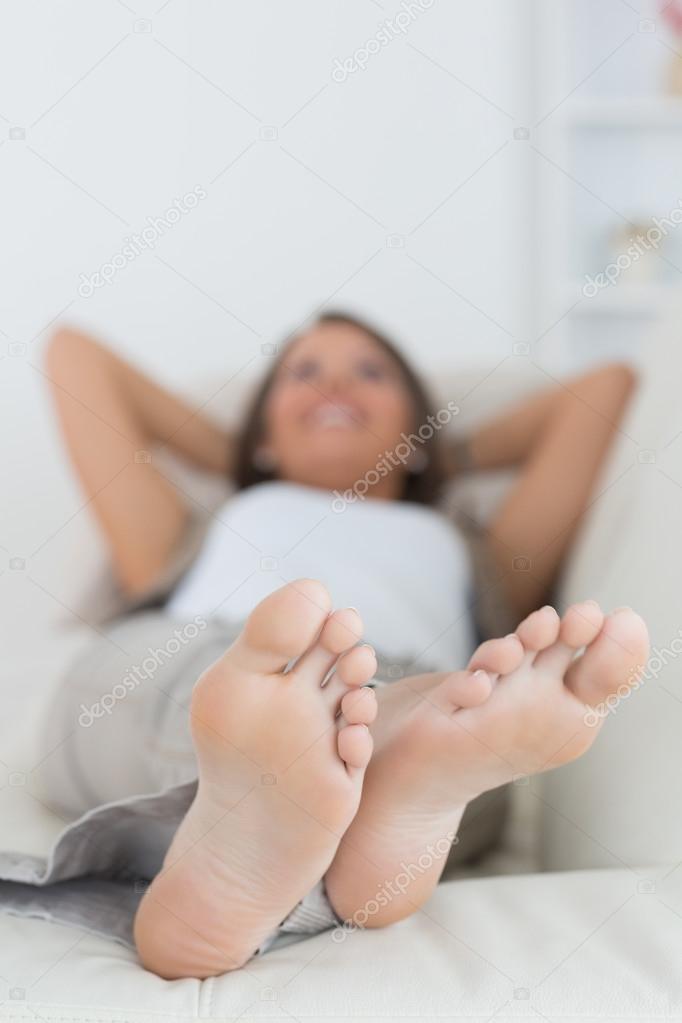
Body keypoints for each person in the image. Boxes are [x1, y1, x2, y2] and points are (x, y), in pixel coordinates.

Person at [0, 312, 648, 979]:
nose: (335, 384)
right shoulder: (191, 527)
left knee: (457, 714)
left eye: (370, 373)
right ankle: (295, 806)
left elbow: (603, 390)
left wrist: (425, 449)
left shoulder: (471, 539)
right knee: (231, 702)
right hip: (193, 661)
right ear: (260, 433)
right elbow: (75, 356)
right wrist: (252, 449)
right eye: (303, 373)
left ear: (419, 425)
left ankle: (308, 829)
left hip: (396, 680)